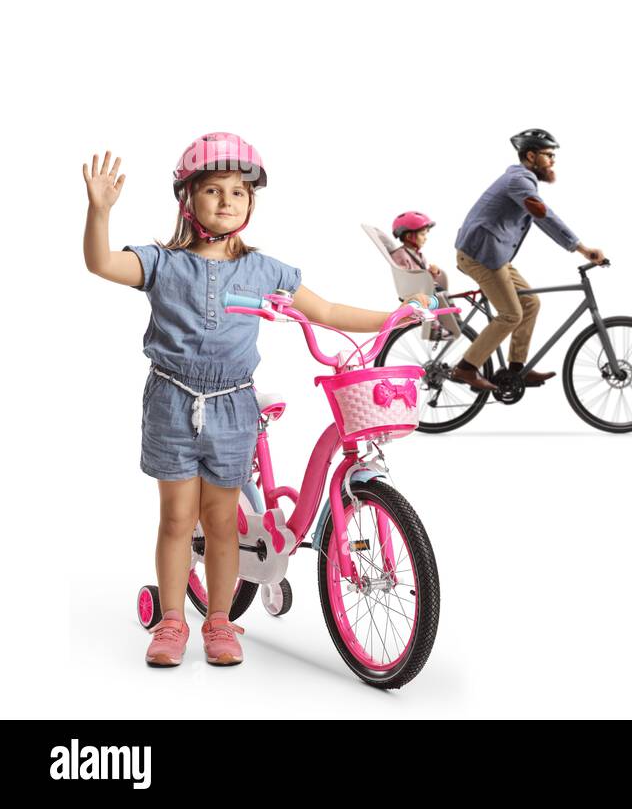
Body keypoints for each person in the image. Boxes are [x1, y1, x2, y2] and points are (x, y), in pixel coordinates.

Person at [82, 134, 430, 668]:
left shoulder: (266, 271)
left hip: (232, 404)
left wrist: (396, 313)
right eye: (213, 190)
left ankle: (219, 620)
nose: (227, 201)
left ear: (251, 204)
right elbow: (102, 264)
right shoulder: (162, 263)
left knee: (221, 520)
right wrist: (99, 210)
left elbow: (329, 311)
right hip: (173, 401)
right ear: (187, 201)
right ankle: (173, 619)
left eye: (239, 193)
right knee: (178, 518)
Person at [450, 129, 605, 391]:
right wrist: (582, 248)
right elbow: (545, 217)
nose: (552, 160)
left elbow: (540, 216)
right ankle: (465, 368)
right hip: (481, 255)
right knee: (510, 315)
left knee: (530, 302)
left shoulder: (523, 181)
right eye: (548, 155)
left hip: (494, 254)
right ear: (531, 155)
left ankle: (515, 370)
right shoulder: (519, 181)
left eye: (553, 155)